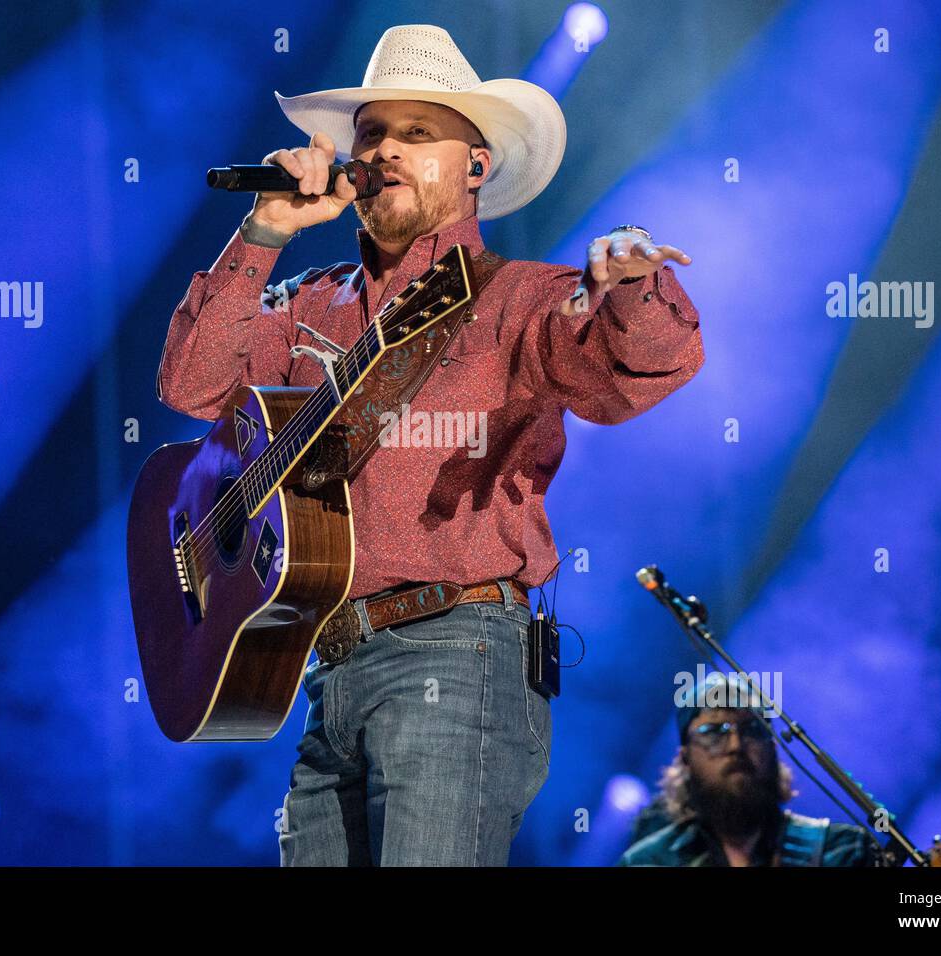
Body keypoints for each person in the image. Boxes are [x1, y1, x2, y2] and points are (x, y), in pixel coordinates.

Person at [158, 24, 704, 866]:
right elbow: (190, 389)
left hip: (456, 652)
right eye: (371, 133)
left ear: (477, 166)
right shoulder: (311, 307)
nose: (383, 152)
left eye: (418, 135)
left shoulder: (524, 299)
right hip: (321, 664)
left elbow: (637, 369)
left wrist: (631, 290)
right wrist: (262, 235)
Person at [621, 677, 879, 866]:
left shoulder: (843, 852)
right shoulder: (648, 863)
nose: (736, 745)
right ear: (685, 759)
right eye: (713, 732)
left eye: (752, 729)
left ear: (774, 750)